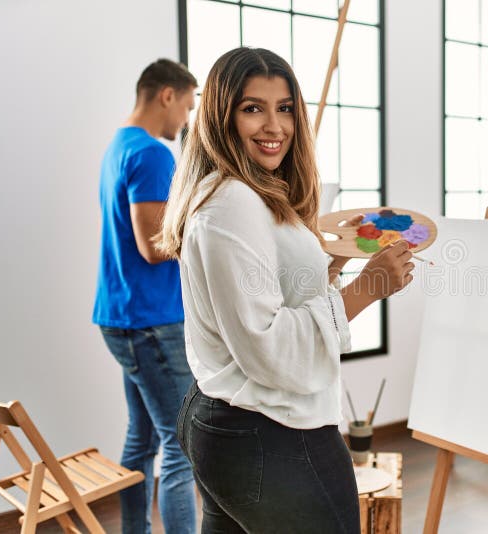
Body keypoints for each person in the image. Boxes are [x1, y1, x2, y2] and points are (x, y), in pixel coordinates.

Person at [158, 47, 413, 533]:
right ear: (221, 116)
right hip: (270, 431)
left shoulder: (243, 191)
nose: (274, 126)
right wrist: (369, 286)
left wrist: (332, 259)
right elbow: (267, 345)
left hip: (229, 423)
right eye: (253, 108)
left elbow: (265, 290)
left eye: (285, 108)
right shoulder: (233, 203)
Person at [92, 59, 198, 533]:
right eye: (188, 106)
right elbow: (154, 248)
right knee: (181, 445)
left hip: (120, 314)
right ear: (167, 96)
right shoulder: (154, 154)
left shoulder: (118, 145)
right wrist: (202, 227)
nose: (186, 121)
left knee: (142, 440)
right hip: (151, 321)